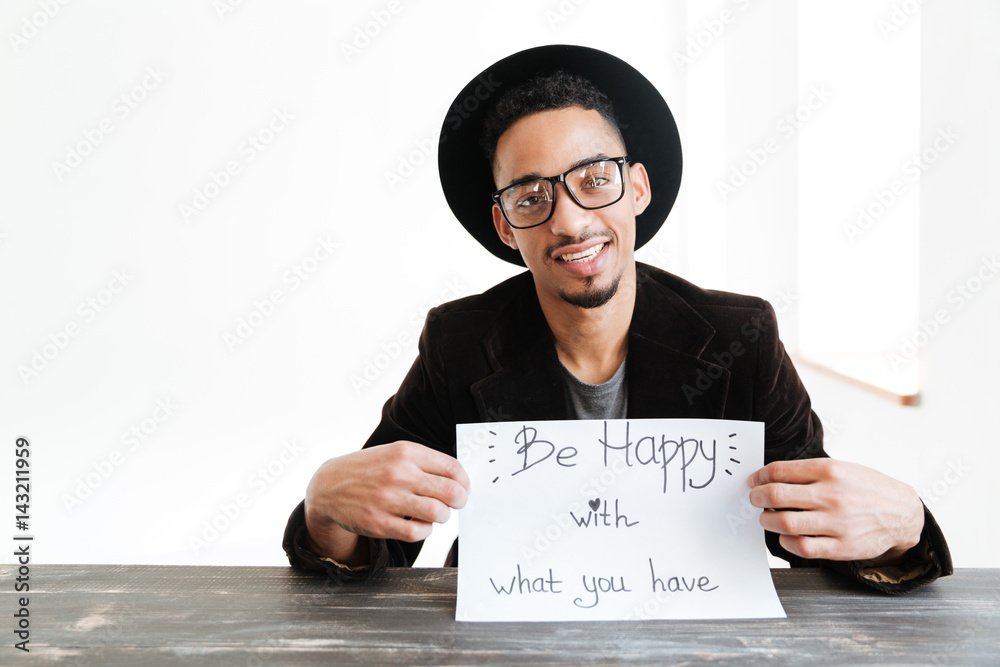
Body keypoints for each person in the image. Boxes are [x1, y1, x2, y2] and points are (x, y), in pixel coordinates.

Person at [283, 45, 951, 593]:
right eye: (531, 194)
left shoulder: (738, 338)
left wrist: (908, 525)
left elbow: (815, 533)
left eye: (594, 178)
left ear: (637, 187)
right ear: (504, 223)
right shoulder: (459, 343)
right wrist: (324, 509)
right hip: (507, 640)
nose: (570, 219)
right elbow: (373, 539)